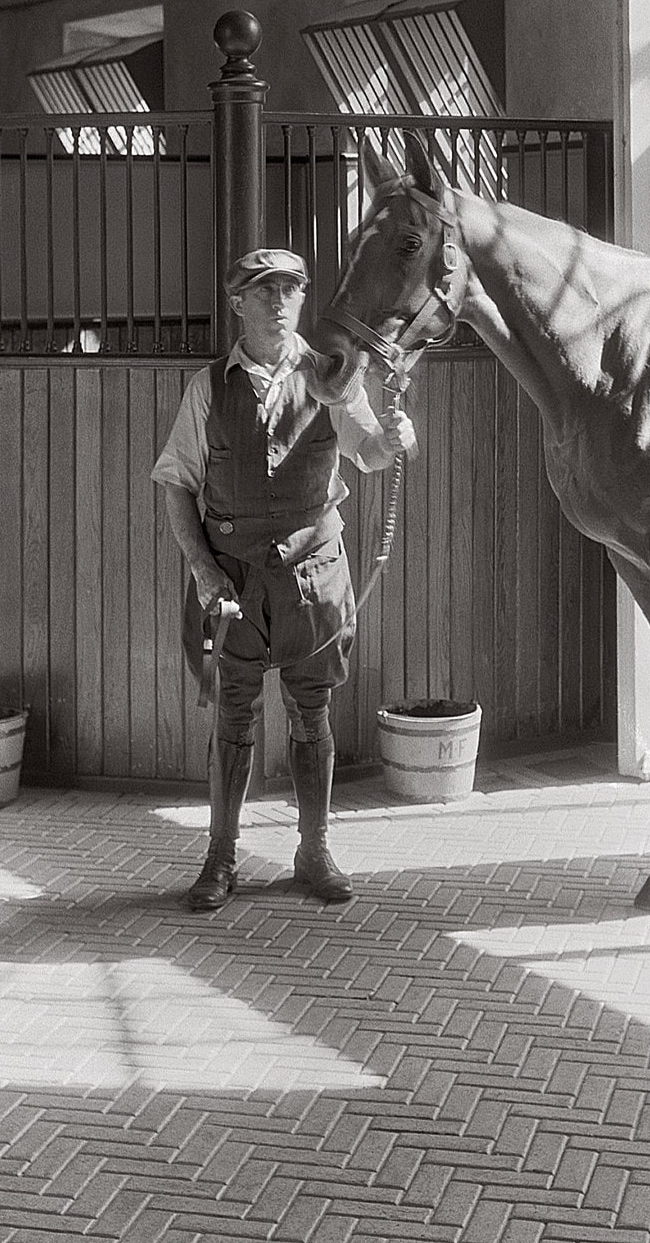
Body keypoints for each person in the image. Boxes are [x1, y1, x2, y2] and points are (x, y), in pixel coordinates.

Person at [151, 247, 416, 912]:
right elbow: (177, 483)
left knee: (311, 711)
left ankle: (314, 851)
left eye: (290, 290)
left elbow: (369, 452)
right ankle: (221, 857)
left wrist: (395, 436)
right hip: (232, 583)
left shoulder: (331, 378)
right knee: (233, 717)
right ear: (237, 303)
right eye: (264, 290)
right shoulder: (208, 387)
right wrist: (203, 569)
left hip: (314, 579)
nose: (279, 302)